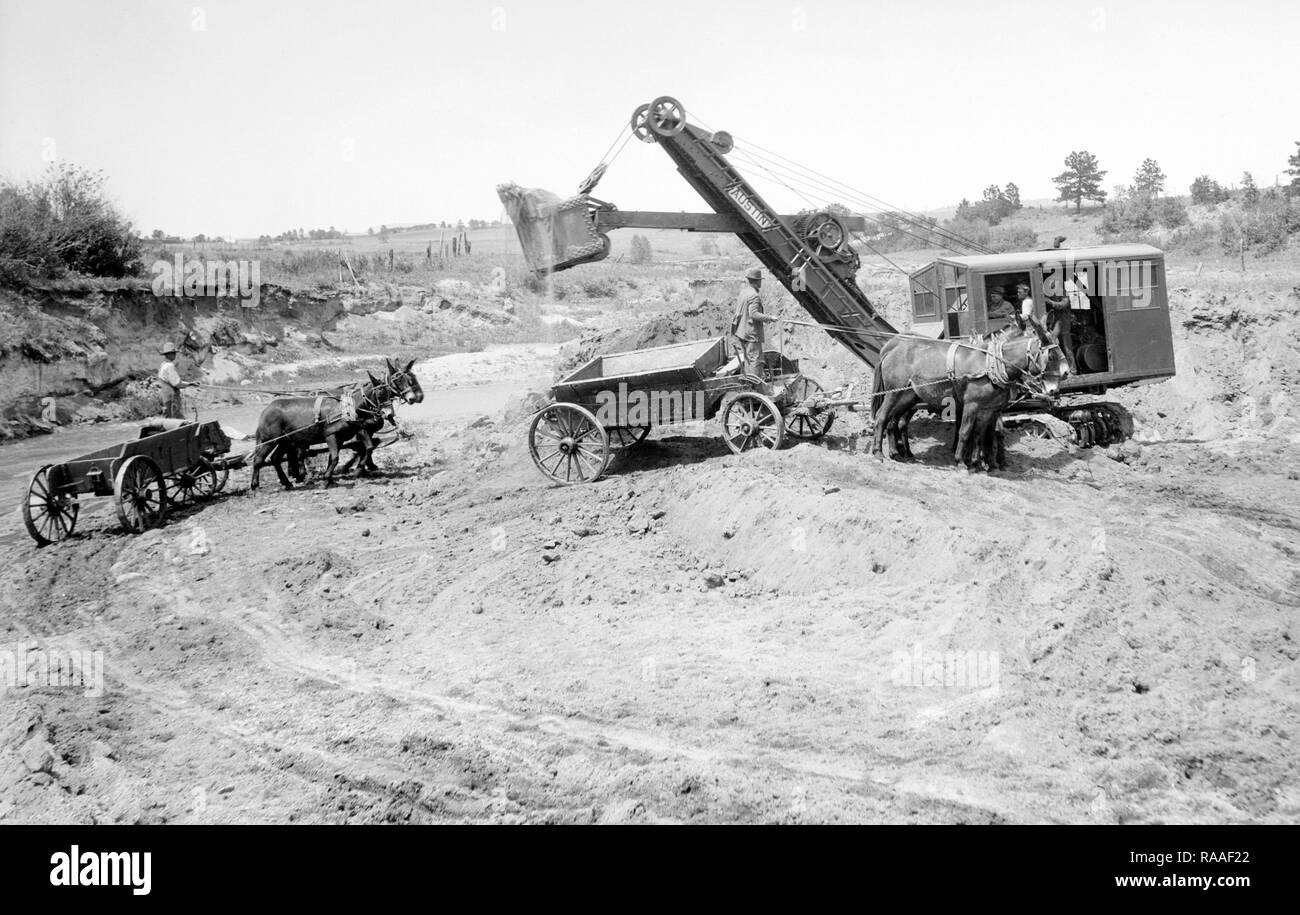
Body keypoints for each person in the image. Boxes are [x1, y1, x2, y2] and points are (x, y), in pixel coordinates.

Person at [732, 267, 779, 377]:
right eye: (760, 280)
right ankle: (756, 385)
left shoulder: (744, 292)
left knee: (748, 358)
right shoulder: (754, 296)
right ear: (757, 281)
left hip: (742, 331)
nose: (761, 282)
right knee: (755, 360)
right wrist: (770, 318)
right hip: (751, 333)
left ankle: (749, 382)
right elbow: (753, 314)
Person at [158, 342, 194, 419]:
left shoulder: (163, 365)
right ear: (168, 354)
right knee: (177, 418)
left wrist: (190, 383)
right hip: (172, 397)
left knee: (169, 418)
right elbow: (177, 383)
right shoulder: (170, 366)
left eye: (174, 353)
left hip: (166, 397)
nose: (175, 355)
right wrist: (190, 384)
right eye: (173, 353)